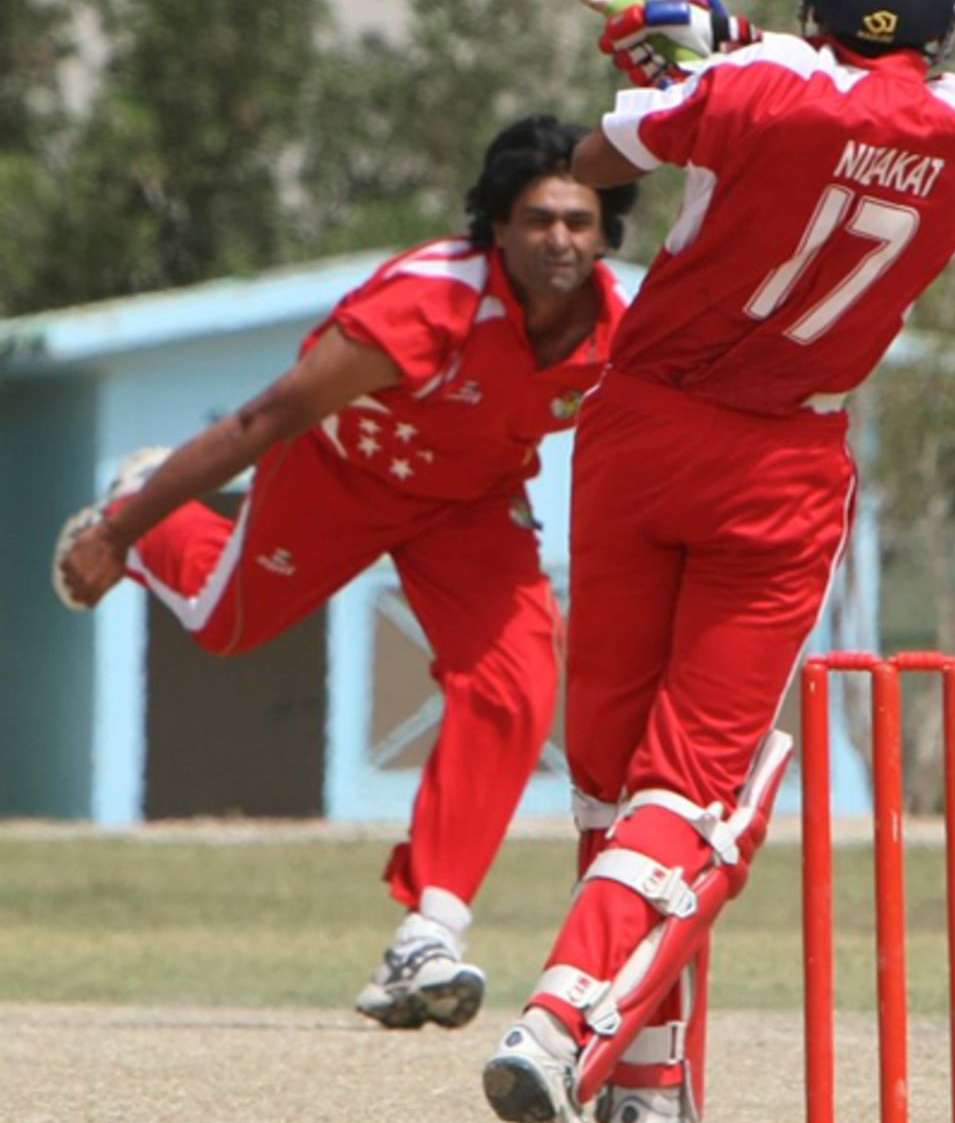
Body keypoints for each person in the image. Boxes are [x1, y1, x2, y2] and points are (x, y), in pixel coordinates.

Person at [482, 0, 955, 1123]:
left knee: (614, 771)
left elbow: (603, 160)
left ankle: (644, 1091)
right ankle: (572, 1024)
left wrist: (694, 59)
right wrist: (722, 50)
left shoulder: (752, 86)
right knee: (698, 785)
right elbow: (853, 109)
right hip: (784, 458)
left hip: (643, 433)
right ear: (944, 20)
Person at [52, 114, 636, 1032]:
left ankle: (429, 930)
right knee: (226, 624)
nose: (558, 238)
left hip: (470, 504)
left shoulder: (618, 333)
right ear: (497, 225)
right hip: (337, 476)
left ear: (607, 233)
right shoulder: (426, 307)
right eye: (536, 219)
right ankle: (149, 507)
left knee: (519, 680)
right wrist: (123, 530)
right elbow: (260, 421)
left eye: (578, 220)